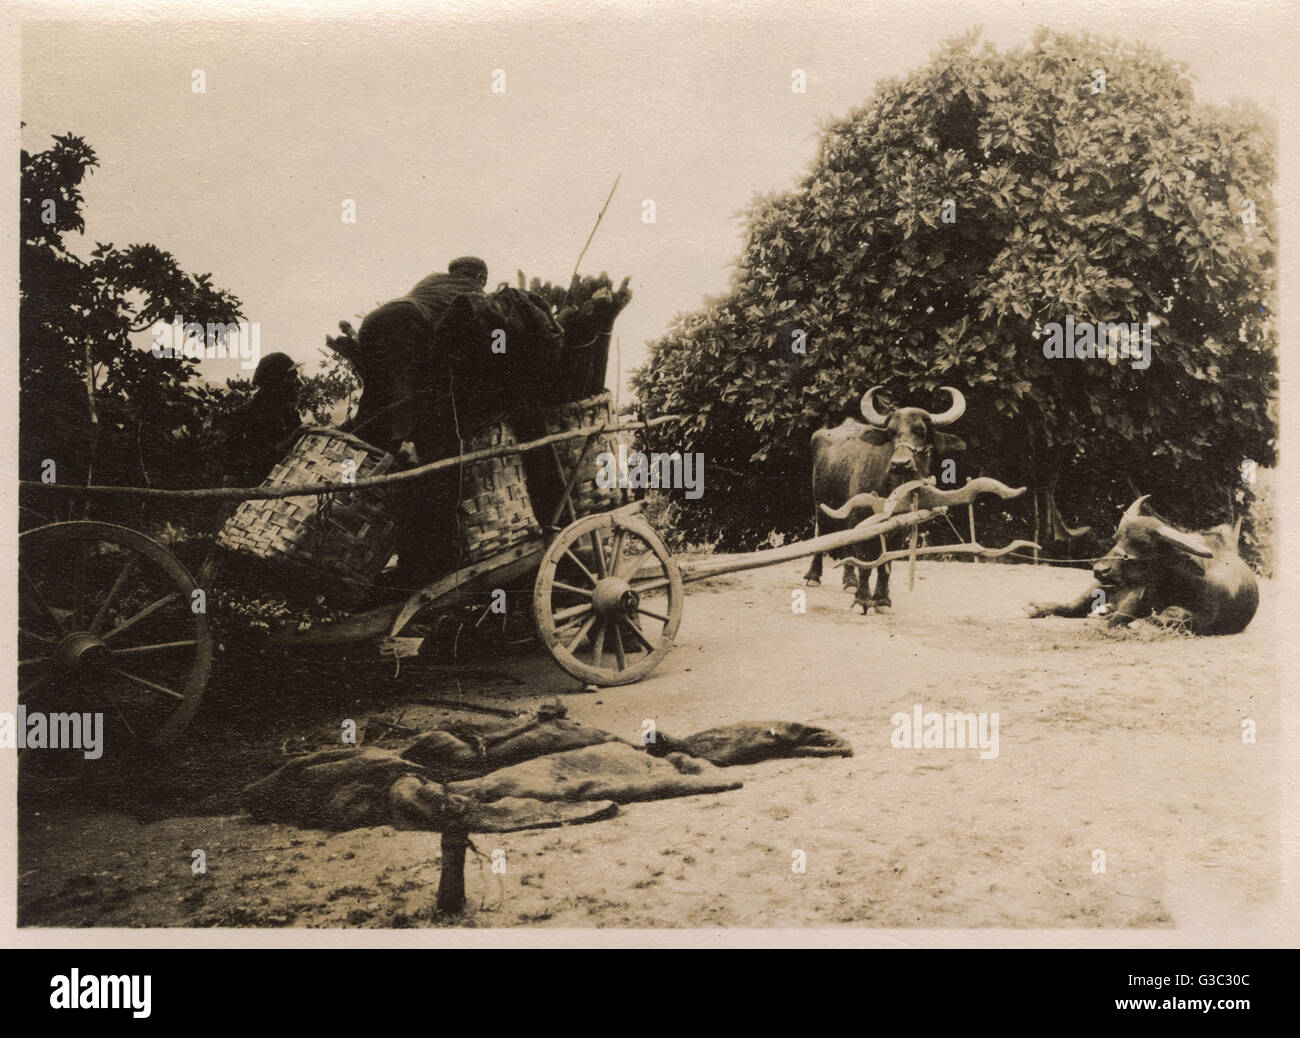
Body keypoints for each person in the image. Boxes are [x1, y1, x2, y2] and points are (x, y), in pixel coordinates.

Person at [218, 351, 305, 486]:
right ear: (275, 381)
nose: (298, 384)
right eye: (291, 377)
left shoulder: (289, 415)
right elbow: (233, 463)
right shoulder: (245, 415)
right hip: (250, 493)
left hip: (283, 484)